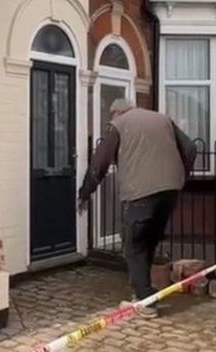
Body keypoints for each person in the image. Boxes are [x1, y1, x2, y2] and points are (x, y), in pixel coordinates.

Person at [78, 99, 196, 307]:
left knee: (133, 244)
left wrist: (85, 193)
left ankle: (145, 299)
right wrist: (181, 175)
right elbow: (190, 148)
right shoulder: (163, 119)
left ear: (117, 113)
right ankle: (145, 290)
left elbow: (99, 163)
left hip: (139, 193)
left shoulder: (120, 124)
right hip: (170, 191)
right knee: (149, 240)